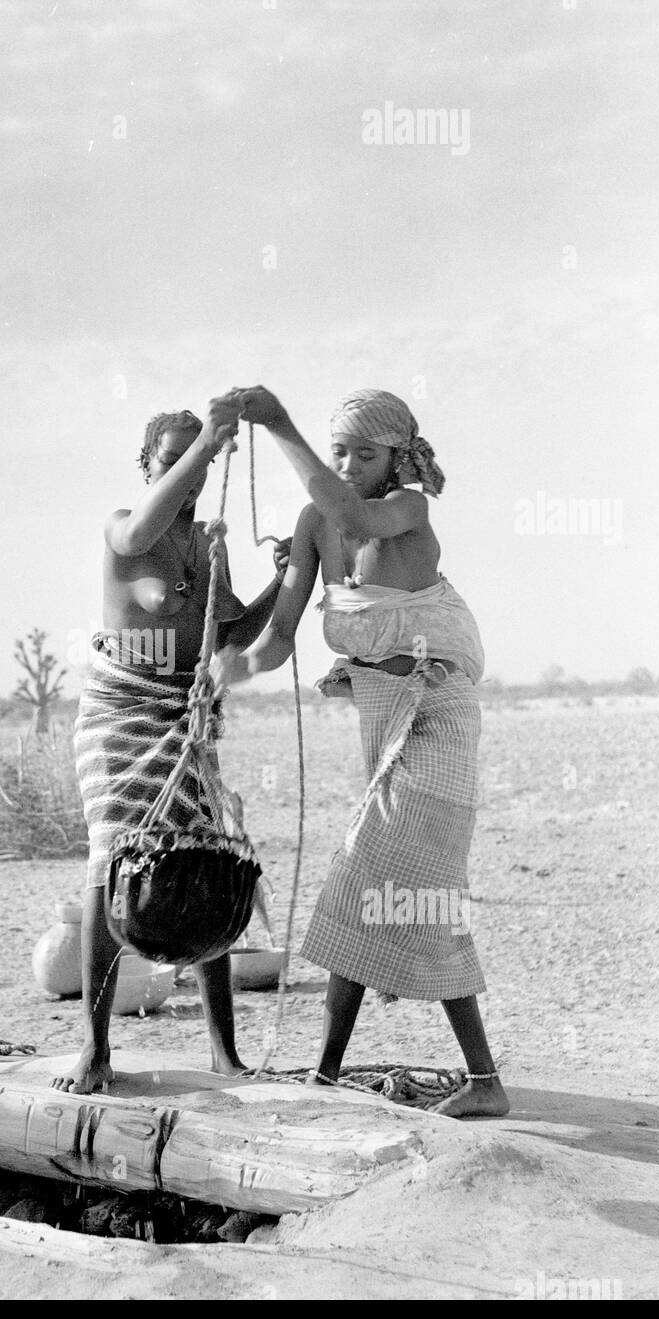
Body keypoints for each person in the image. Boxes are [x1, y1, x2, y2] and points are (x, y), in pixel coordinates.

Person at [213, 386, 509, 1119]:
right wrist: (231, 670)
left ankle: (483, 1081)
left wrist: (277, 422)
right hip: (382, 732)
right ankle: (328, 1071)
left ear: (397, 459)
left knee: (402, 884)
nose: (346, 465)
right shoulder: (316, 523)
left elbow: (355, 516)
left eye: (363, 453)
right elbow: (281, 632)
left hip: (435, 720)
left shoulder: (406, 511)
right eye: (337, 450)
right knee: (363, 889)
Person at [52, 396, 289, 1096]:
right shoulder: (124, 527)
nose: (188, 478)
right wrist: (206, 443)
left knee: (203, 857)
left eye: (201, 462)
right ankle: (94, 1049)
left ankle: (224, 1051)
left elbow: (230, 632)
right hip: (120, 713)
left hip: (184, 717)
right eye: (171, 462)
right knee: (113, 859)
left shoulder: (207, 542)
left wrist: (282, 576)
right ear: (148, 466)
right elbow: (133, 542)